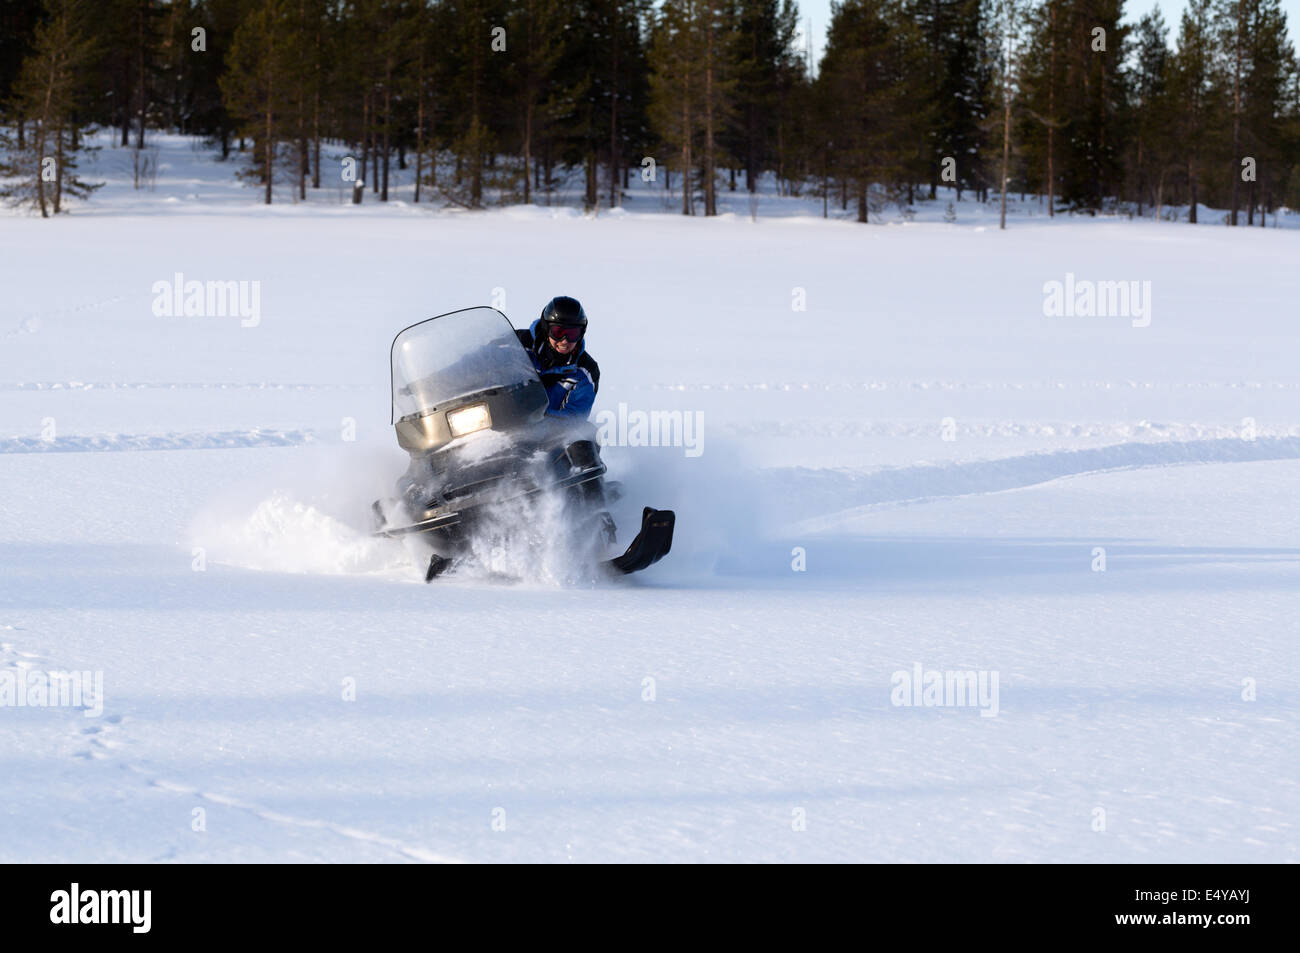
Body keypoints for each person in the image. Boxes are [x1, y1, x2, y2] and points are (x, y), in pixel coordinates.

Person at [516, 296, 600, 418]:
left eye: (572, 334)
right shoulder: (517, 344)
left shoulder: (586, 371)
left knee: (587, 436)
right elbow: (483, 359)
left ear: (581, 334)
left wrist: (537, 417)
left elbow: (574, 419)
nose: (564, 341)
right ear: (546, 328)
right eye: (558, 332)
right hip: (498, 417)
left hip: (546, 432)